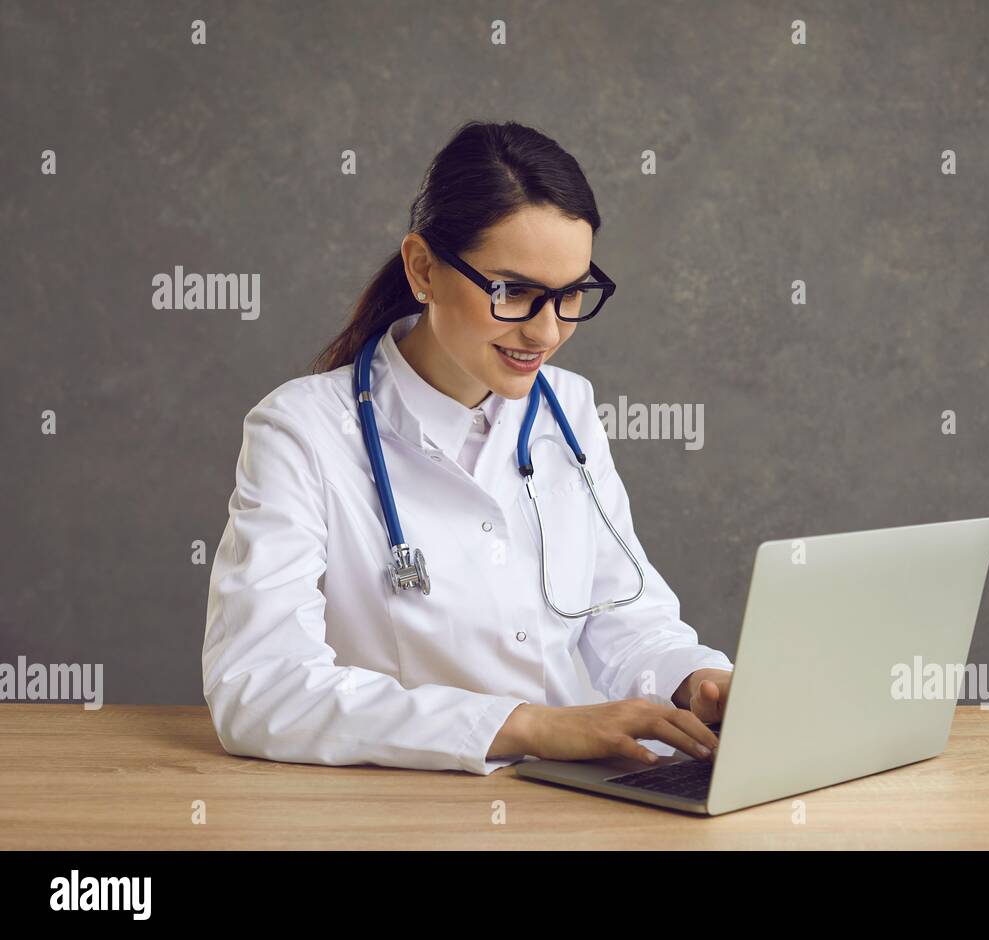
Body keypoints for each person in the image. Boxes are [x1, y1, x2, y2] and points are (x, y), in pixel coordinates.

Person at [201, 120, 733, 775]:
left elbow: (621, 616)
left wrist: (697, 680)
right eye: (513, 292)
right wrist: (528, 725)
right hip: (409, 807)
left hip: (578, 797)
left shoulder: (568, 408)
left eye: (570, 294)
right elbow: (260, 687)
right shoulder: (302, 431)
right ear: (423, 268)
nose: (547, 332)